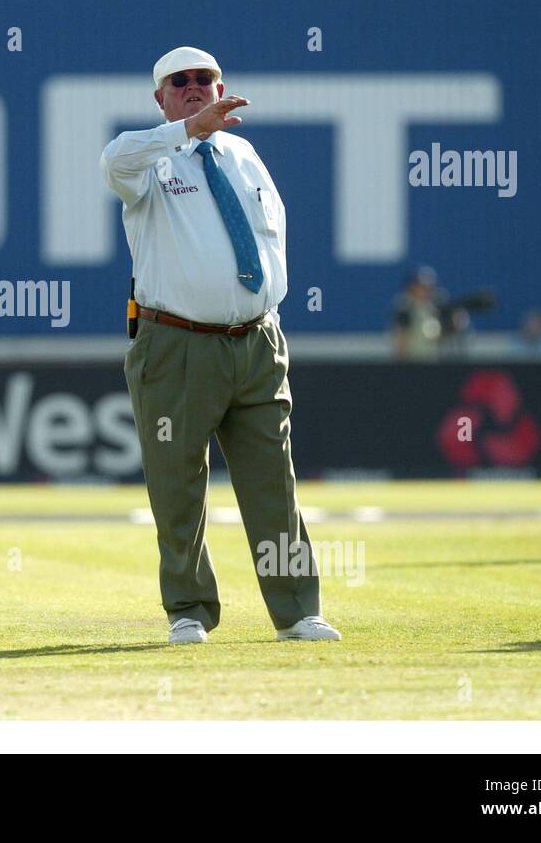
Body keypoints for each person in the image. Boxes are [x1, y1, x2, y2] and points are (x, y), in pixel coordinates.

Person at [101, 46, 341, 645]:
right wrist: (183, 132)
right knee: (177, 481)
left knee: (272, 481)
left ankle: (295, 611)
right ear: (161, 99)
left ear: (220, 85)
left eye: (202, 79)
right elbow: (112, 159)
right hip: (179, 343)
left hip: (258, 340)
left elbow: (266, 234)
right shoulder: (152, 158)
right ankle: (187, 609)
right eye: (177, 83)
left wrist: (266, 307)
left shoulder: (243, 155)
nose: (192, 87)